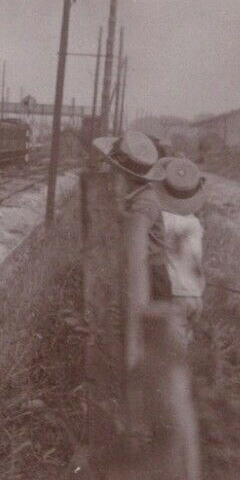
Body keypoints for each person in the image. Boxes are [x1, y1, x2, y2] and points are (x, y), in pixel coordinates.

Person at [92, 131, 172, 299]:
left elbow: (137, 250)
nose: (107, 170)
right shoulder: (133, 194)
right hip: (138, 272)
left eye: (110, 166)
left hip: (148, 277)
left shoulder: (145, 204)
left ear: (121, 172)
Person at [154, 156, 208, 342]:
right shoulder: (194, 223)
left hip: (177, 292)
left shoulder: (163, 220)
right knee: (184, 339)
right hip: (195, 294)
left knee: (172, 346)